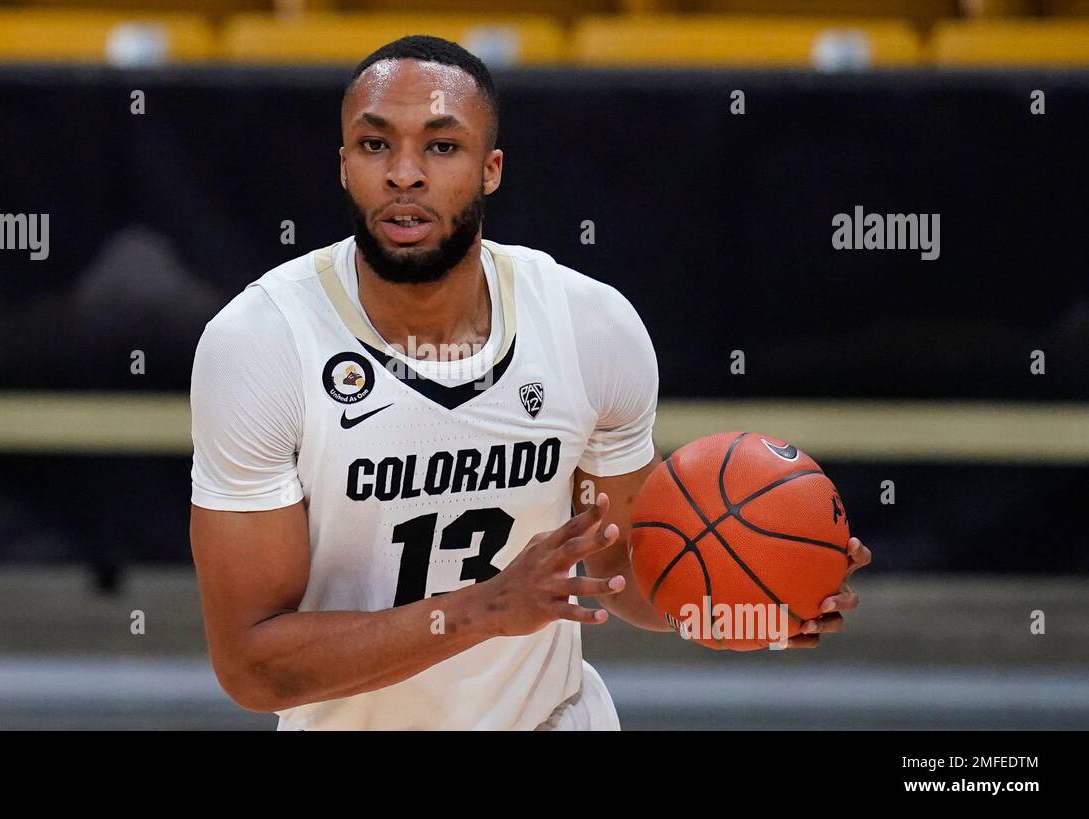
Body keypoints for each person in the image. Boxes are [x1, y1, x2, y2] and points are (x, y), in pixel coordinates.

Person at [188, 35, 871, 730]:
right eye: (374, 145)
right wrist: (480, 610)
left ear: (491, 169)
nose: (404, 174)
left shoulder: (588, 326)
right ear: (342, 166)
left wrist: (756, 591)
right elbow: (251, 665)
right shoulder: (262, 344)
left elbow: (626, 574)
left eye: (441, 147)